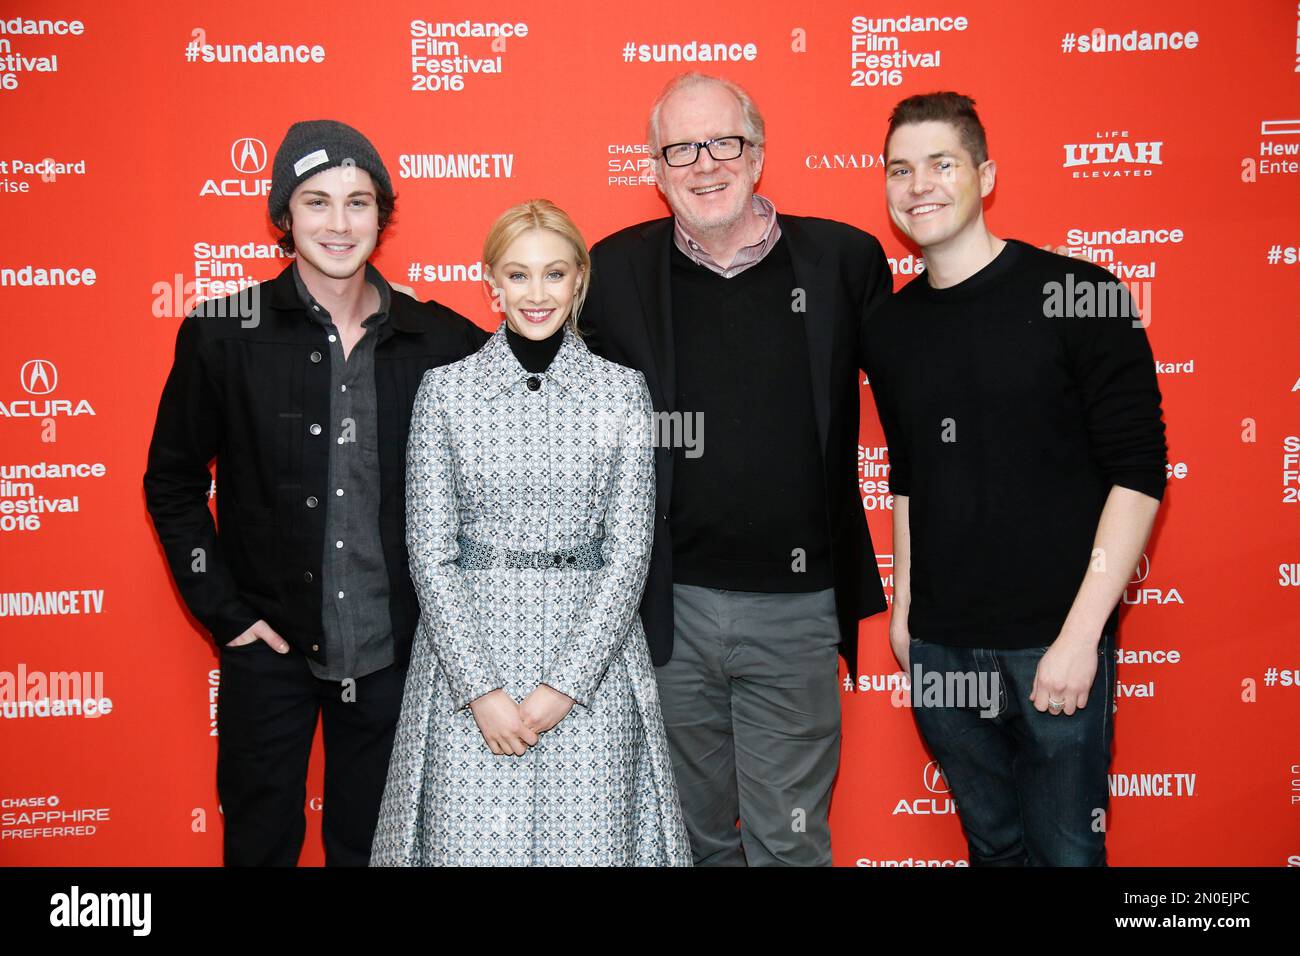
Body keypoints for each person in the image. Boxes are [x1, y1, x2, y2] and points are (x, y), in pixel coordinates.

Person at [143, 120, 488, 866]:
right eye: (317, 202)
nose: (339, 223)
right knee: (260, 843)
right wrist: (227, 618)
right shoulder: (221, 334)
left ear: (382, 215)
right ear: (283, 216)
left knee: (378, 850)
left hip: (397, 651)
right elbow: (171, 482)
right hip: (268, 648)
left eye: (359, 202)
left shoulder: (444, 342)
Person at [580, 72, 893, 866]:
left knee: (790, 845)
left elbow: (926, 403)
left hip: (796, 608)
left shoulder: (844, 262)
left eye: (724, 142)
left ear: (758, 155)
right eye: (680, 148)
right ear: (653, 169)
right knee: (690, 843)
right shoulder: (613, 272)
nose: (704, 163)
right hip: (664, 612)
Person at [862, 92, 1168, 865]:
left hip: (1051, 642)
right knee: (993, 846)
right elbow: (907, 474)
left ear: (985, 175)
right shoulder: (891, 327)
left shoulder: (1080, 295)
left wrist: (1082, 633)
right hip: (942, 647)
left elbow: (1137, 476)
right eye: (901, 168)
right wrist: (906, 615)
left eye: (941, 163)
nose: (919, 184)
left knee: (1068, 854)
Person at [369, 199, 691, 866]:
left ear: (579, 280)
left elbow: (630, 551)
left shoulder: (622, 393)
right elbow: (430, 551)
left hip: (593, 672)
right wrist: (481, 692)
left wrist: (564, 685)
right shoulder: (446, 392)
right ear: (491, 281)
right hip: (467, 668)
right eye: (518, 275)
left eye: (553, 274)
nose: (536, 294)